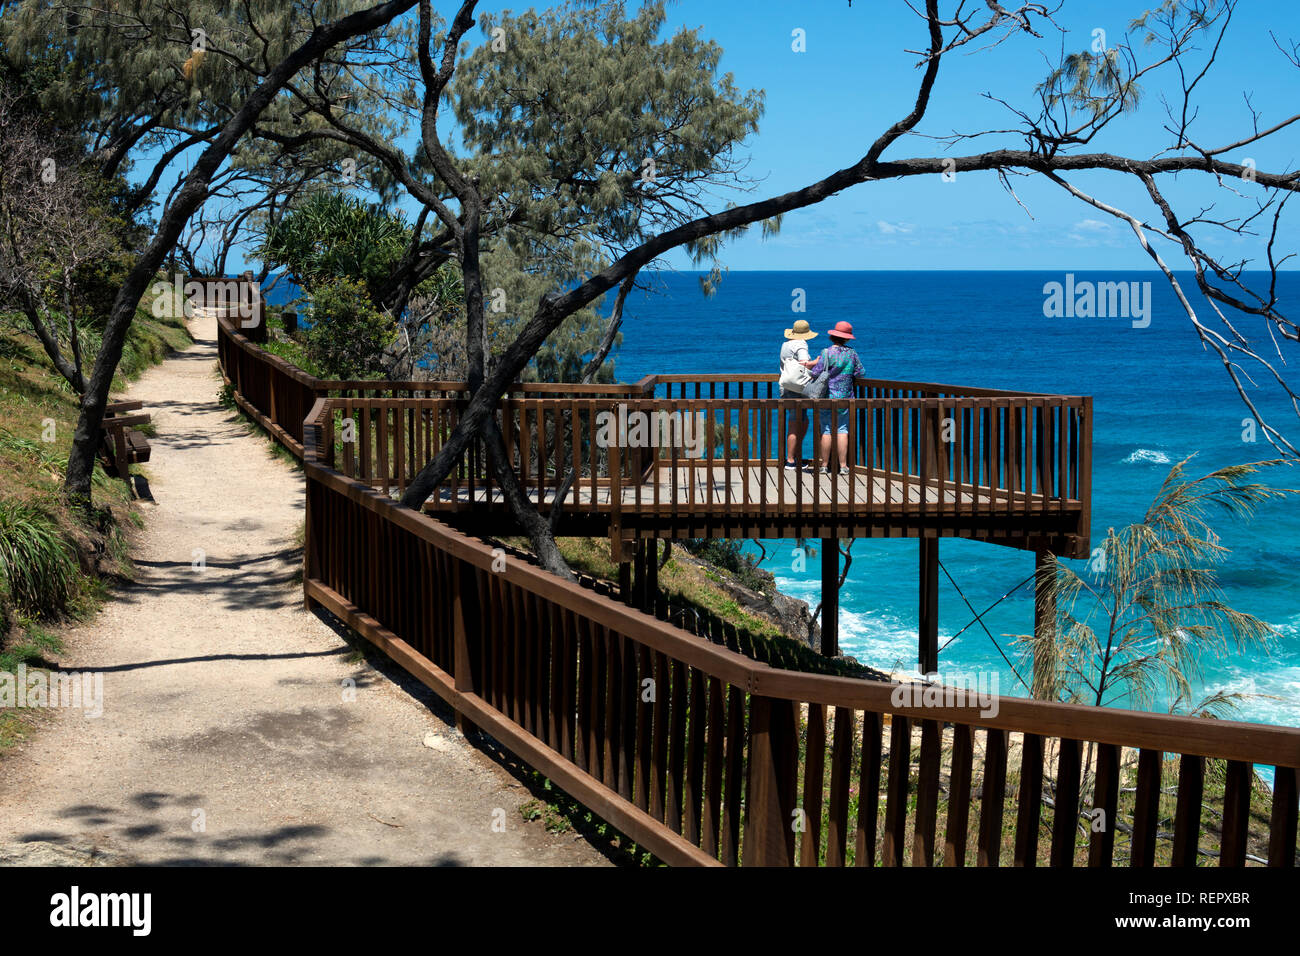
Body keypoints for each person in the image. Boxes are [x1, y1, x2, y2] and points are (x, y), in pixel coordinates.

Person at [806, 320, 866, 475]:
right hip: (845, 397)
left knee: (826, 430)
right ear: (846, 338)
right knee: (842, 429)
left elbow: (816, 373)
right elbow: (860, 372)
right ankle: (844, 466)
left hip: (827, 397)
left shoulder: (826, 353)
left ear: (833, 337)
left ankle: (824, 466)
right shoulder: (852, 353)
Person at [779, 319, 816, 468]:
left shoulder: (785, 344)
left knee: (797, 420)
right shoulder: (801, 344)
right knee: (797, 422)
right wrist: (818, 361)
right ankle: (791, 459)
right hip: (799, 388)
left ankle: (793, 456)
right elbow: (804, 362)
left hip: (786, 387)